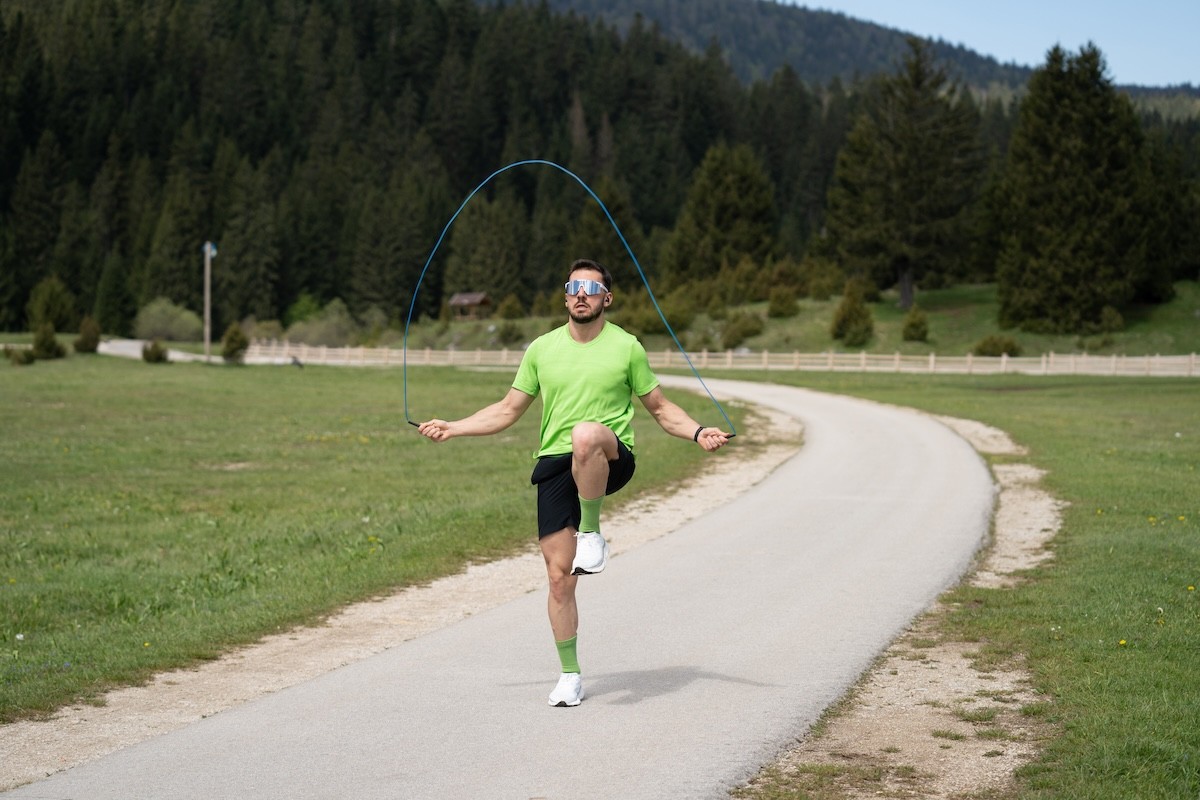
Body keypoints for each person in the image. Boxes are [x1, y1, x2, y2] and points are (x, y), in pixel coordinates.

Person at [417, 258, 731, 707]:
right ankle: (569, 675)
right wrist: (453, 427)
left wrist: (699, 431)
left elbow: (661, 410)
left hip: (608, 454)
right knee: (559, 578)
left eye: (591, 287)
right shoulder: (541, 349)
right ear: (566, 297)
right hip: (554, 464)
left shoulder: (627, 347)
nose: (581, 293)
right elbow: (507, 410)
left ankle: (591, 529)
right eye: (574, 287)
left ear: (608, 298)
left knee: (585, 434)